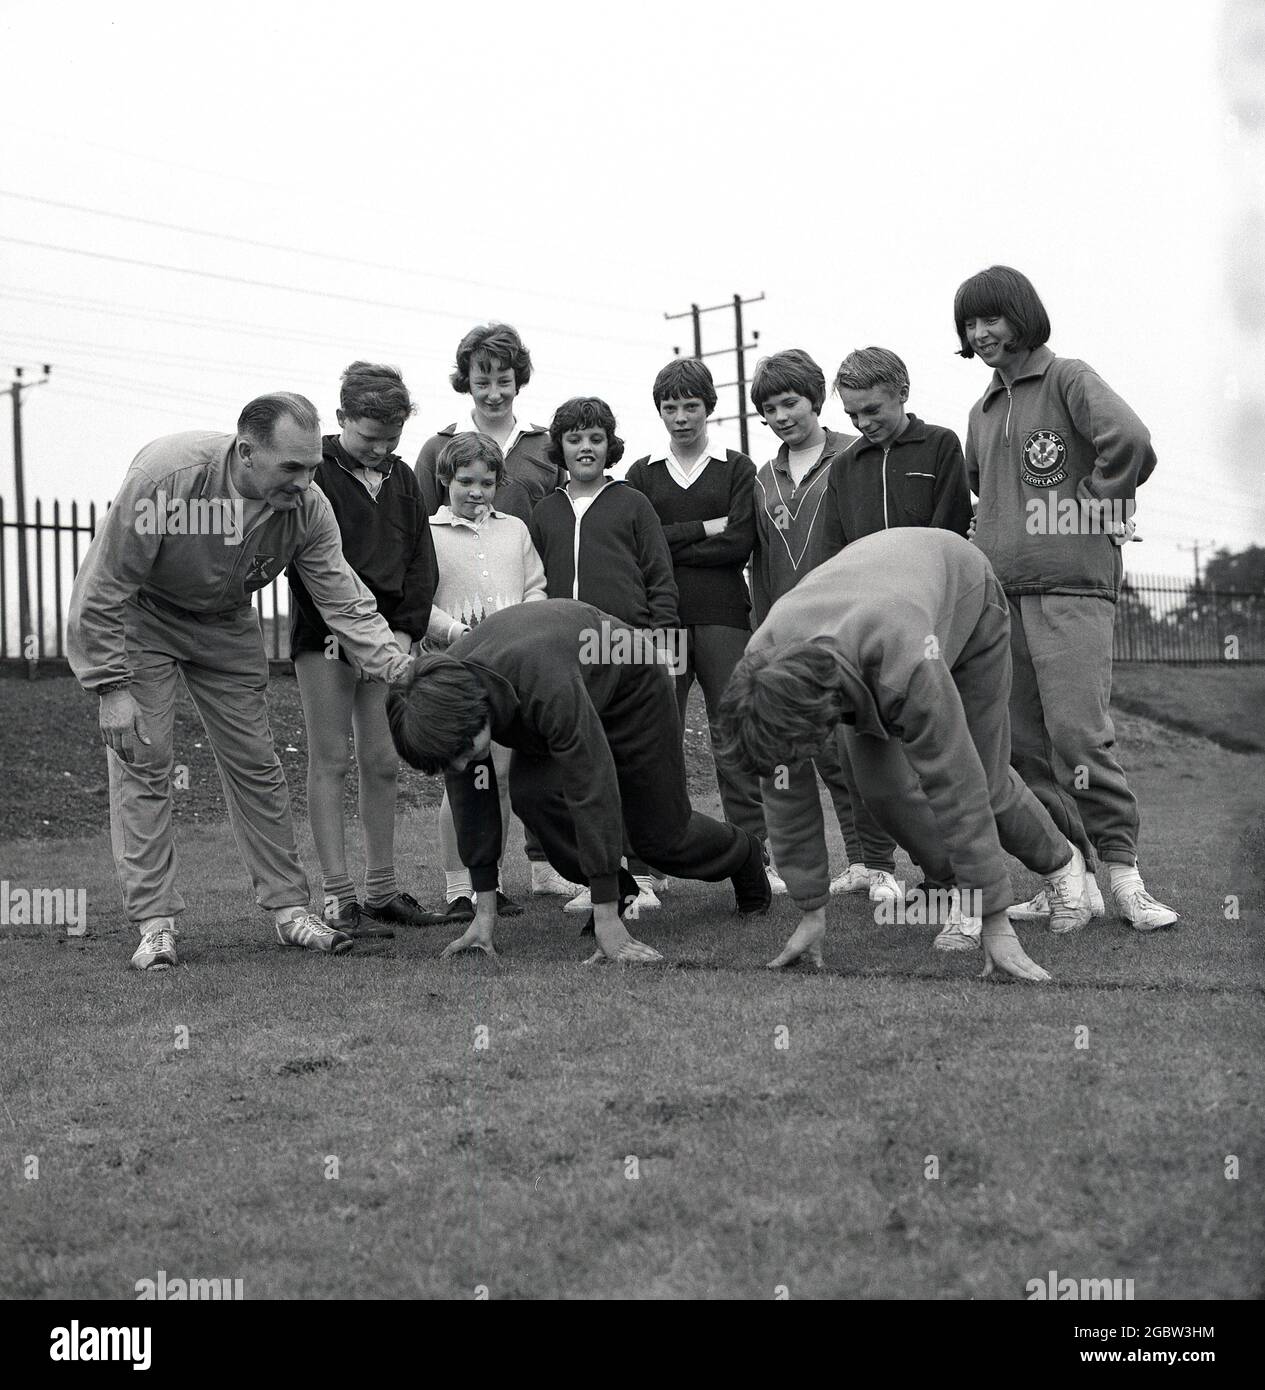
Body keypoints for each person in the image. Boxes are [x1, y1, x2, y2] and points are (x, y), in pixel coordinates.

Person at [67, 393, 416, 971]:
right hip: (145, 617)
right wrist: (110, 686)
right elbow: (102, 583)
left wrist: (397, 669)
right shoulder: (167, 477)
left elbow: (343, 599)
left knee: (257, 764)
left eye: (311, 467)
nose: (306, 481)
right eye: (293, 467)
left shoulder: (307, 507)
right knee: (145, 761)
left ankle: (288, 912)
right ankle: (156, 926)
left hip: (226, 623)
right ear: (246, 451)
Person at [715, 528, 1094, 984]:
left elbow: (957, 784)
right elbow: (784, 793)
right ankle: (962, 891)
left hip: (965, 594)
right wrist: (811, 910)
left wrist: (996, 920)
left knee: (983, 777)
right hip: (871, 607)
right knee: (883, 788)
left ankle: (1063, 865)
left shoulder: (904, 661)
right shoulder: (762, 666)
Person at [955, 264, 1177, 931]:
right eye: (968, 323)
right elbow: (981, 491)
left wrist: (1087, 506)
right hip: (1000, 599)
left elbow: (1130, 442)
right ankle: (1069, 878)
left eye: (990, 317)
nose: (980, 332)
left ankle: (1125, 877)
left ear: (1020, 315)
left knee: (1077, 735)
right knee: (1020, 748)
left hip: (1071, 587)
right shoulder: (981, 409)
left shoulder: (1068, 378)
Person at [385, 602, 772, 963]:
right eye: (449, 760)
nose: (462, 762)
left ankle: (744, 852)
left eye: (463, 750)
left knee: (659, 838)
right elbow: (471, 797)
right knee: (532, 795)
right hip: (570, 681)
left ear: (471, 709)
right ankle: (619, 892)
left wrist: (604, 919)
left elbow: (591, 785)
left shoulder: (541, 681)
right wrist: (483, 912)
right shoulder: (441, 693)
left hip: (631, 683)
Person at [821, 345, 977, 946]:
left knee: (943, 759)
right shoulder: (845, 466)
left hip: (935, 629)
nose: (862, 424)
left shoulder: (940, 446)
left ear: (902, 392)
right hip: (870, 636)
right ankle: (937, 872)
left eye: (873, 410)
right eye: (853, 414)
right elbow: (839, 556)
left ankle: (974, 879)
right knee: (883, 773)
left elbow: (949, 538)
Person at [287, 363, 439, 938]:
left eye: (390, 440)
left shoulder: (403, 478)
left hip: (391, 642)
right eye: (367, 437)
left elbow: (421, 562)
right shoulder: (312, 474)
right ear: (342, 417)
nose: (379, 450)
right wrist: (350, 634)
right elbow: (305, 564)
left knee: (382, 761)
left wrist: (402, 632)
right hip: (323, 640)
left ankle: (380, 890)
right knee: (330, 759)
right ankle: (337, 895)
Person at [748, 348, 897, 902]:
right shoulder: (762, 476)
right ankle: (852, 862)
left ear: (816, 398)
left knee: (860, 748)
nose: (782, 415)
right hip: (787, 631)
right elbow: (759, 557)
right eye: (769, 407)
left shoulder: (855, 456)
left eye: (790, 402)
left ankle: (880, 864)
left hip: (848, 624)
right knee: (816, 752)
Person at [623, 357, 770, 887]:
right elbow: (642, 547)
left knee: (733, 733)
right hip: (658, 621)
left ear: (709, 407)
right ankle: (651, 863)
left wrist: (671, 539)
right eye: (670, 407)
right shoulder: (641, 473)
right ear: (659, 411)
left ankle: (754, 853)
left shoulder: (738, 467)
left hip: (725, 615)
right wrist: (702, 529)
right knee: (654, 740)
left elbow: (738, 542)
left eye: (690, 406)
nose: (681, 417)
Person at [529, 396, 680, 913]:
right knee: (580, 762)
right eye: (574, 439)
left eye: (595, 439)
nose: (585, 448)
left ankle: (645, 870)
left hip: (625, 645)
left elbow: (659, 574)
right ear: (561, 447)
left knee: (629, 759)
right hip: (564, 651)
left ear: (609, 445)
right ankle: (607, 876)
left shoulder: (633, 502)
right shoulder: (544, 510)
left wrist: (661, 640)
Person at [426, 431, 548, 921]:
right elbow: (419, 602)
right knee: (461, 775)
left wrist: (517, 630)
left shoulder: (514, 530)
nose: (476, 492)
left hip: (507, 671)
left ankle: (489, 885)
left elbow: (536, 587)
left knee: (497, 776)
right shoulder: (427, 532)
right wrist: (457, 631)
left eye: (487, 482)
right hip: (451, 668)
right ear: (445, 480)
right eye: (465, 481)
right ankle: (459, 888)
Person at [414, 322, 560, 523]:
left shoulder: (547, 448)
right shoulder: (437, 448)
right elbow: (418, 527)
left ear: (518, 381)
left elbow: (556, 528)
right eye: (482, 383)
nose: (494, 394)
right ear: (468, 383)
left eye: (504, 382)